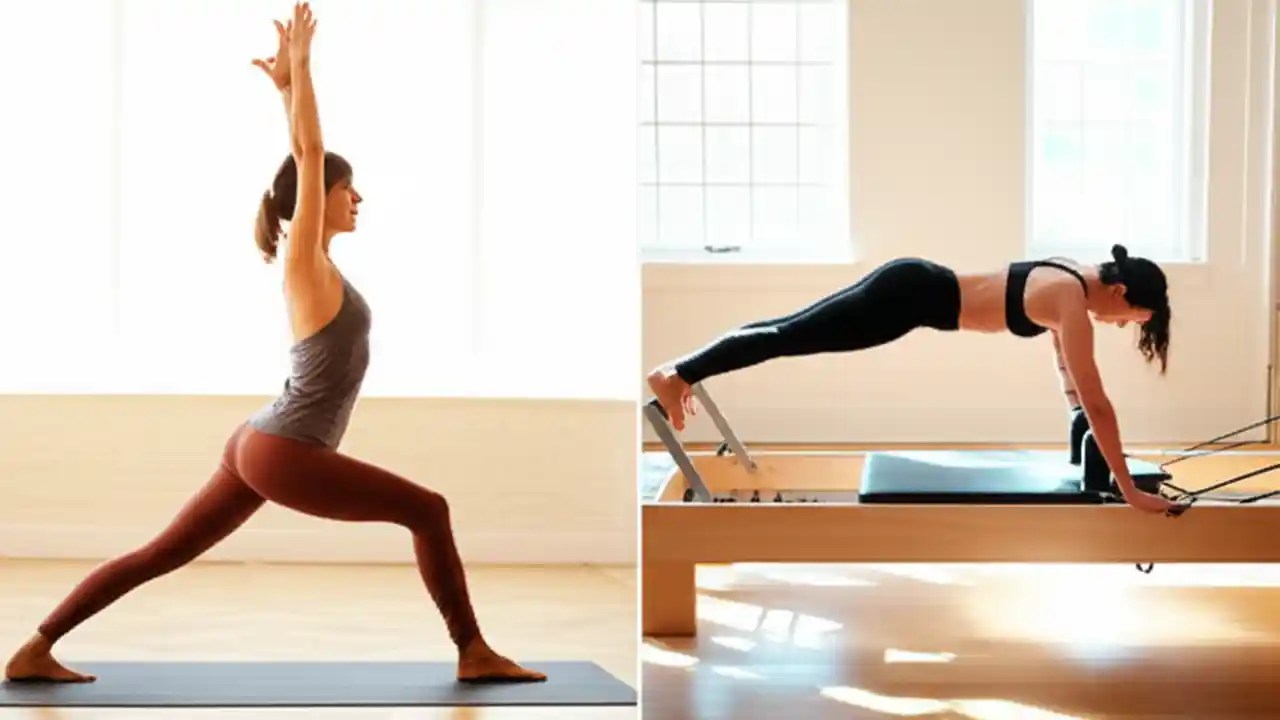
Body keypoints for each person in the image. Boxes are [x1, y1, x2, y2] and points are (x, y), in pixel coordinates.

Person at [4, 4, 545, 685]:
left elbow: (305, 156)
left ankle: (35, 647)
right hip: (285, 449)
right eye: (349, 189)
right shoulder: (304, 263)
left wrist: (287, 91)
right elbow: (309, 155)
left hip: (260, 442)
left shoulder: (318, 265)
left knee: (160, 553)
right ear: (321, 194)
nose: (360, 198)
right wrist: (306, 74)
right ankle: (473, 649)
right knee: (427, 510)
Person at [646, 244, 1177, 515]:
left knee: (785, 330)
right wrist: (1128, 490)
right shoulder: (1071, 302)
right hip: (907, 300)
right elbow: (1098, 401)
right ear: (1122, 294)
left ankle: (682, 372)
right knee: (788, 335)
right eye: (1130, 319)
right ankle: (678, 374)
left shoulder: (1067, 280)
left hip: (910, 284)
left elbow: (1071, 382)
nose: (1118, 326)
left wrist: (1079, 426)